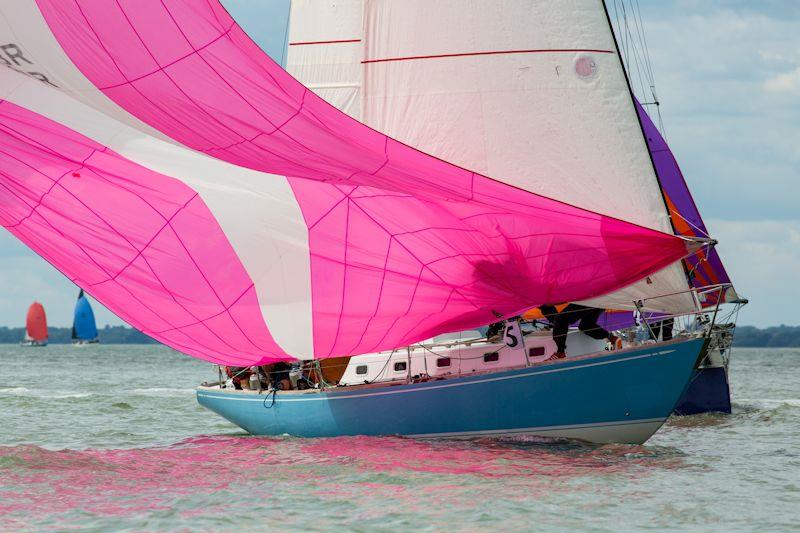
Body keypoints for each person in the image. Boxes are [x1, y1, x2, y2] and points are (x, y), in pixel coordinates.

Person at [539, 304, 616, 360]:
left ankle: (560, 353)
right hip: (598, 300)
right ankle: (611, 337)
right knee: (586, 326)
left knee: (561, 319)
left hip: (590, 296)